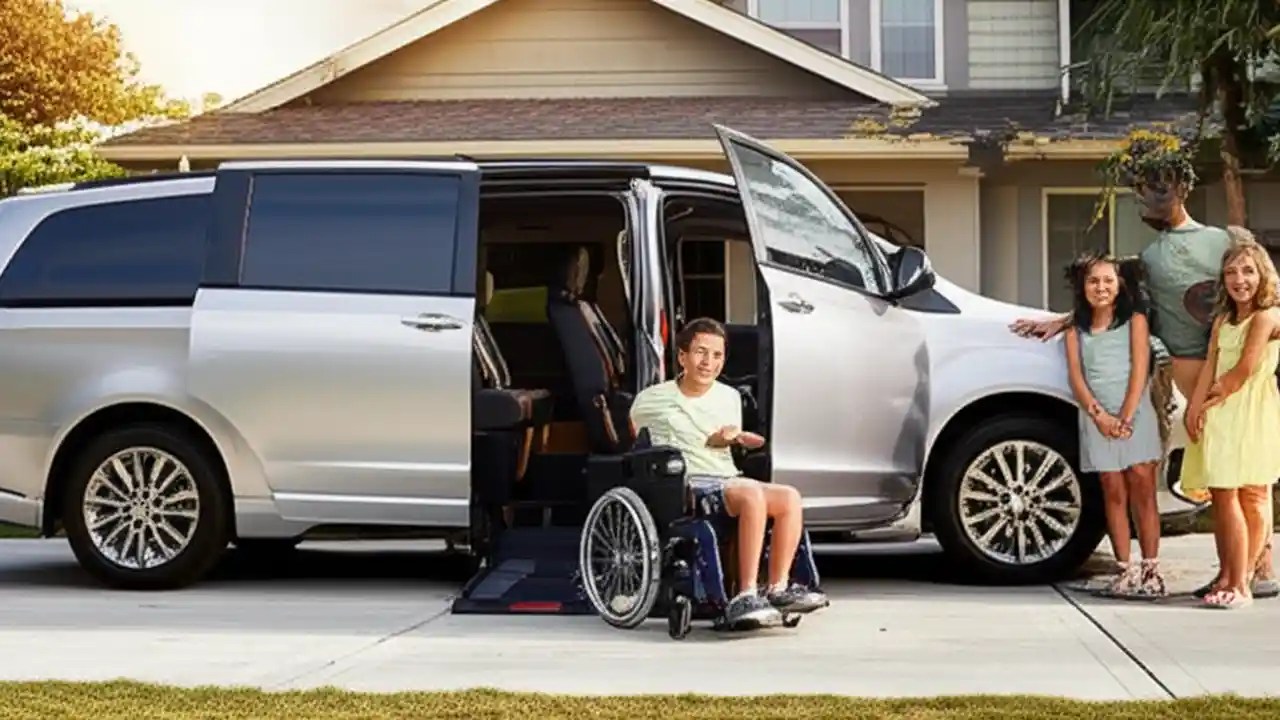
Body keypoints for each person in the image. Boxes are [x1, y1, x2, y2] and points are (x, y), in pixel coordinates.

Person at [1010, 172, 1278, 599]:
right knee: (1221, 480)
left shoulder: (1222, 241)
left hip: (1238, 378)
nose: (1152, 199)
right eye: (1143, 192)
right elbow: (1114, 298)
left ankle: (1255, 569)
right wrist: (1062, 322)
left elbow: (1259, 288)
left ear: (1182, 189)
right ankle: (1231, 571)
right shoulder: (1151, 256)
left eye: (1161, 188)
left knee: (1251, 482)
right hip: (1199, 369)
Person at [629, 317, 828, 629]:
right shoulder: (652, 399)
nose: (709, 362)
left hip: (726, 477)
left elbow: (722, 442)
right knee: (750, 494)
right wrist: (702, 441)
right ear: (682, 356)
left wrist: (732, 438)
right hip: (690, 482)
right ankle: (745, 594)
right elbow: (639, 438)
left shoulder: (729, 397)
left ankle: (777, 588)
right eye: (701, 353)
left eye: (717, 355)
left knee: (789, 496)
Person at [1180, 231, 1280, 609]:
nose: (1240, 280)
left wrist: (1208, 404)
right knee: (1224, 496)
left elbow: (1241, 372)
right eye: (1232, 273)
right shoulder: (1223, 320)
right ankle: (1228, 573)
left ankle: (1241, 584)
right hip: (1222, 413)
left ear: (1263, 275)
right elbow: (1211, 364)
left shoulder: (1267, 317)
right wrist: (1195, 408)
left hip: (1251, 411)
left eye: (1249, 272)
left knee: (1253, 494)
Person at [1062, 252, 1167, 598]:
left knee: (1143, 487)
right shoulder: (1075, 329)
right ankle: (1124, 569)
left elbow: (1139, 368)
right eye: (1093, 281)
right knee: (1113, 489)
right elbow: (1077, 379)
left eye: (1108, 280)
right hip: (1097, 417)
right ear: (1083, 286)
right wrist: (1100, 416)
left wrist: (1124, 416)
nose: (1101, 287)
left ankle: (1151, 568)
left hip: (1134, 413)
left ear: (1120, 284)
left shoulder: (1134, 320)